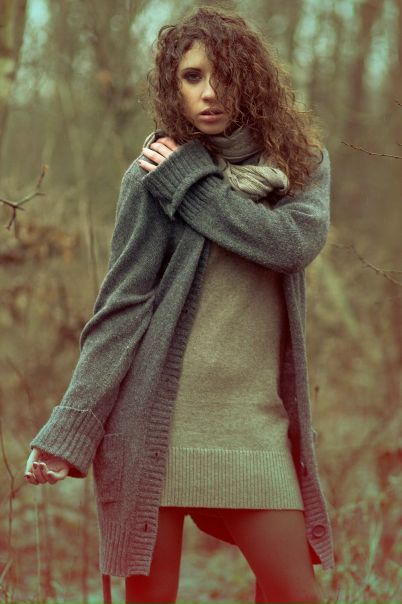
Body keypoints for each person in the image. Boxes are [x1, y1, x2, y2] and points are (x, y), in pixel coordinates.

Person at [25, 6, 334, 604]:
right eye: (192, 77)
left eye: (224, 76)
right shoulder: (148, 177)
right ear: (173, 86)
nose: (209, 92)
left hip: (254, 429)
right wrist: (67, 431)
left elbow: (292, 245)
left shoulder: (299, 167)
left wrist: (190, 182)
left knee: (296, 595)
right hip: (152, 431)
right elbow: (122, 308)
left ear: (253, 81)